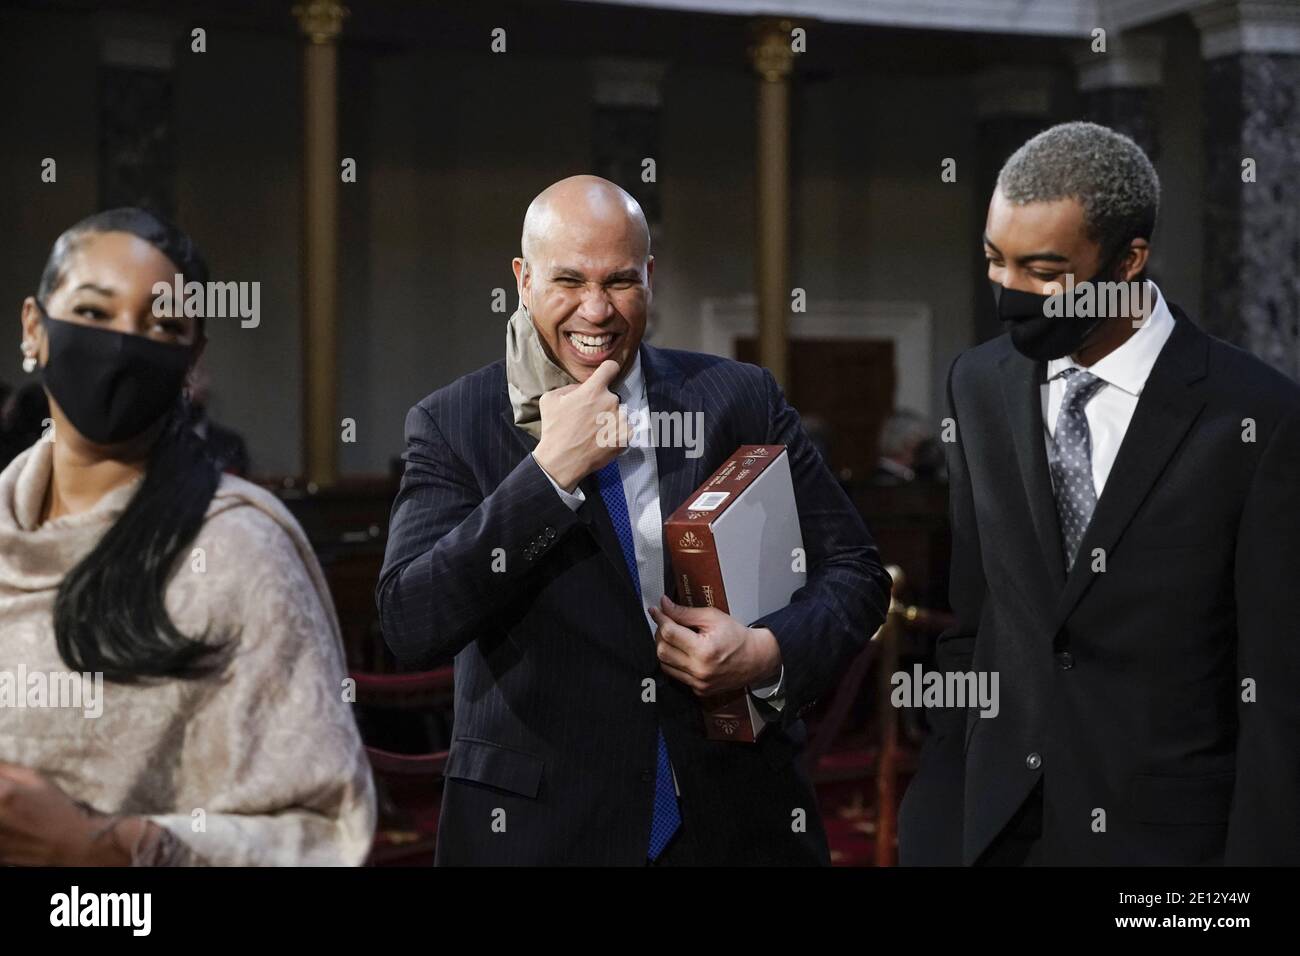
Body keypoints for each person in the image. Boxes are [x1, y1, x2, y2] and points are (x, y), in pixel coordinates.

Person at [378, 175, 892, 865]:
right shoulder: (453, 423)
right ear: (522, 280)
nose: (596, 310)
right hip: (542, 833)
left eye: (619, 280)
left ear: (649, 277)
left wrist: (764, 654)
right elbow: (411, 622)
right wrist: (548, 475)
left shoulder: (737, 399)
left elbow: (856, 574)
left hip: (737, 820)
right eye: (568, 280)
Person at [898, 122, 1300, 866]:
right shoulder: (977, 383)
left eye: (1044, 271)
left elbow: (1275, 690)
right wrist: (937, 806)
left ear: (1127, 261)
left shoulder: (1258, 416)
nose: (1010, 293)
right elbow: (975, 621)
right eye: (995, 261)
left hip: (1165, 847)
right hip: (989, 828)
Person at [0, 208, 375, 865]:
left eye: (162, 325)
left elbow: (323, 837)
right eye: (93, 313)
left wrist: (102, 847)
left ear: (190, 359)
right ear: (35, 329)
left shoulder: (238, 550)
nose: (122, 343)